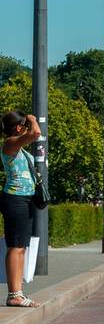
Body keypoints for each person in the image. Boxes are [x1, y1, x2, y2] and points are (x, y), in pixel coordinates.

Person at [1, 112, 41, 308]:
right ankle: (14, 294)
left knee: (21, 246)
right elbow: (36, 134)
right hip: (15, 199)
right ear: (18, 128)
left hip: (26, 199)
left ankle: (18, 292)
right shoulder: (9, 144)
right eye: (24, 125)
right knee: (15, 246)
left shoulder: (21, 150)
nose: (27, 128)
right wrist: (32, 120)